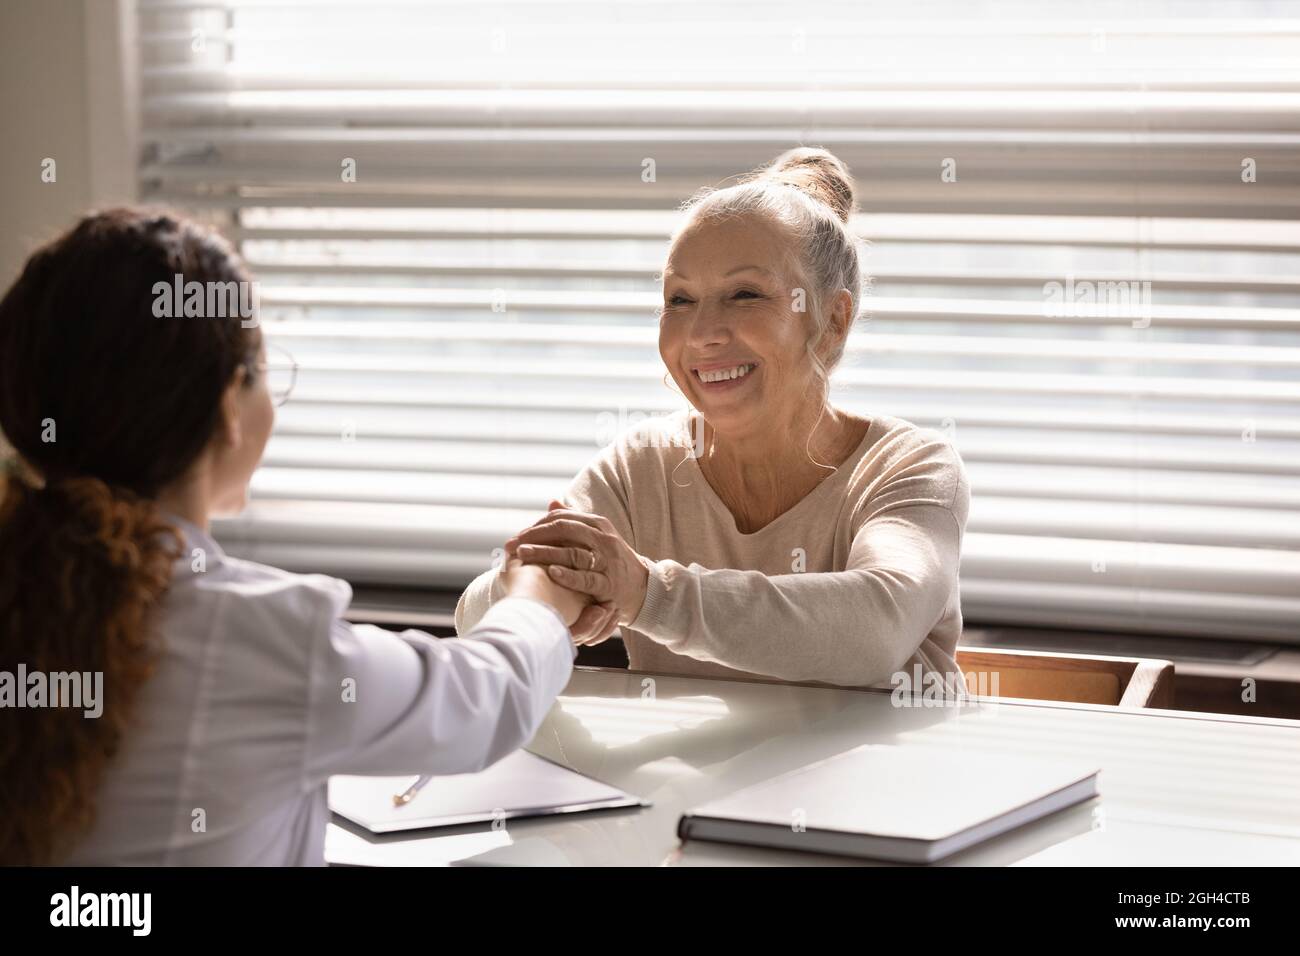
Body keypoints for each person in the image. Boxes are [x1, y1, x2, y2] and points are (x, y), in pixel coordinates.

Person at [0, 209, 588, 865]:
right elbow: (487, 701)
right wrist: (538, 595)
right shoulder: (253, 633)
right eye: (262, 368)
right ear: (230, 406)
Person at [457, 147, 971, 692]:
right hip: (699, 779)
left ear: (832, 322)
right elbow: (479, 617)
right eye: (679, 300)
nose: (702, 333)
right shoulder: (639, 468)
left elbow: (877, 628)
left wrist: (646, 595)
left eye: (744, 294)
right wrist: (558, 589)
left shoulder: (910, 466)